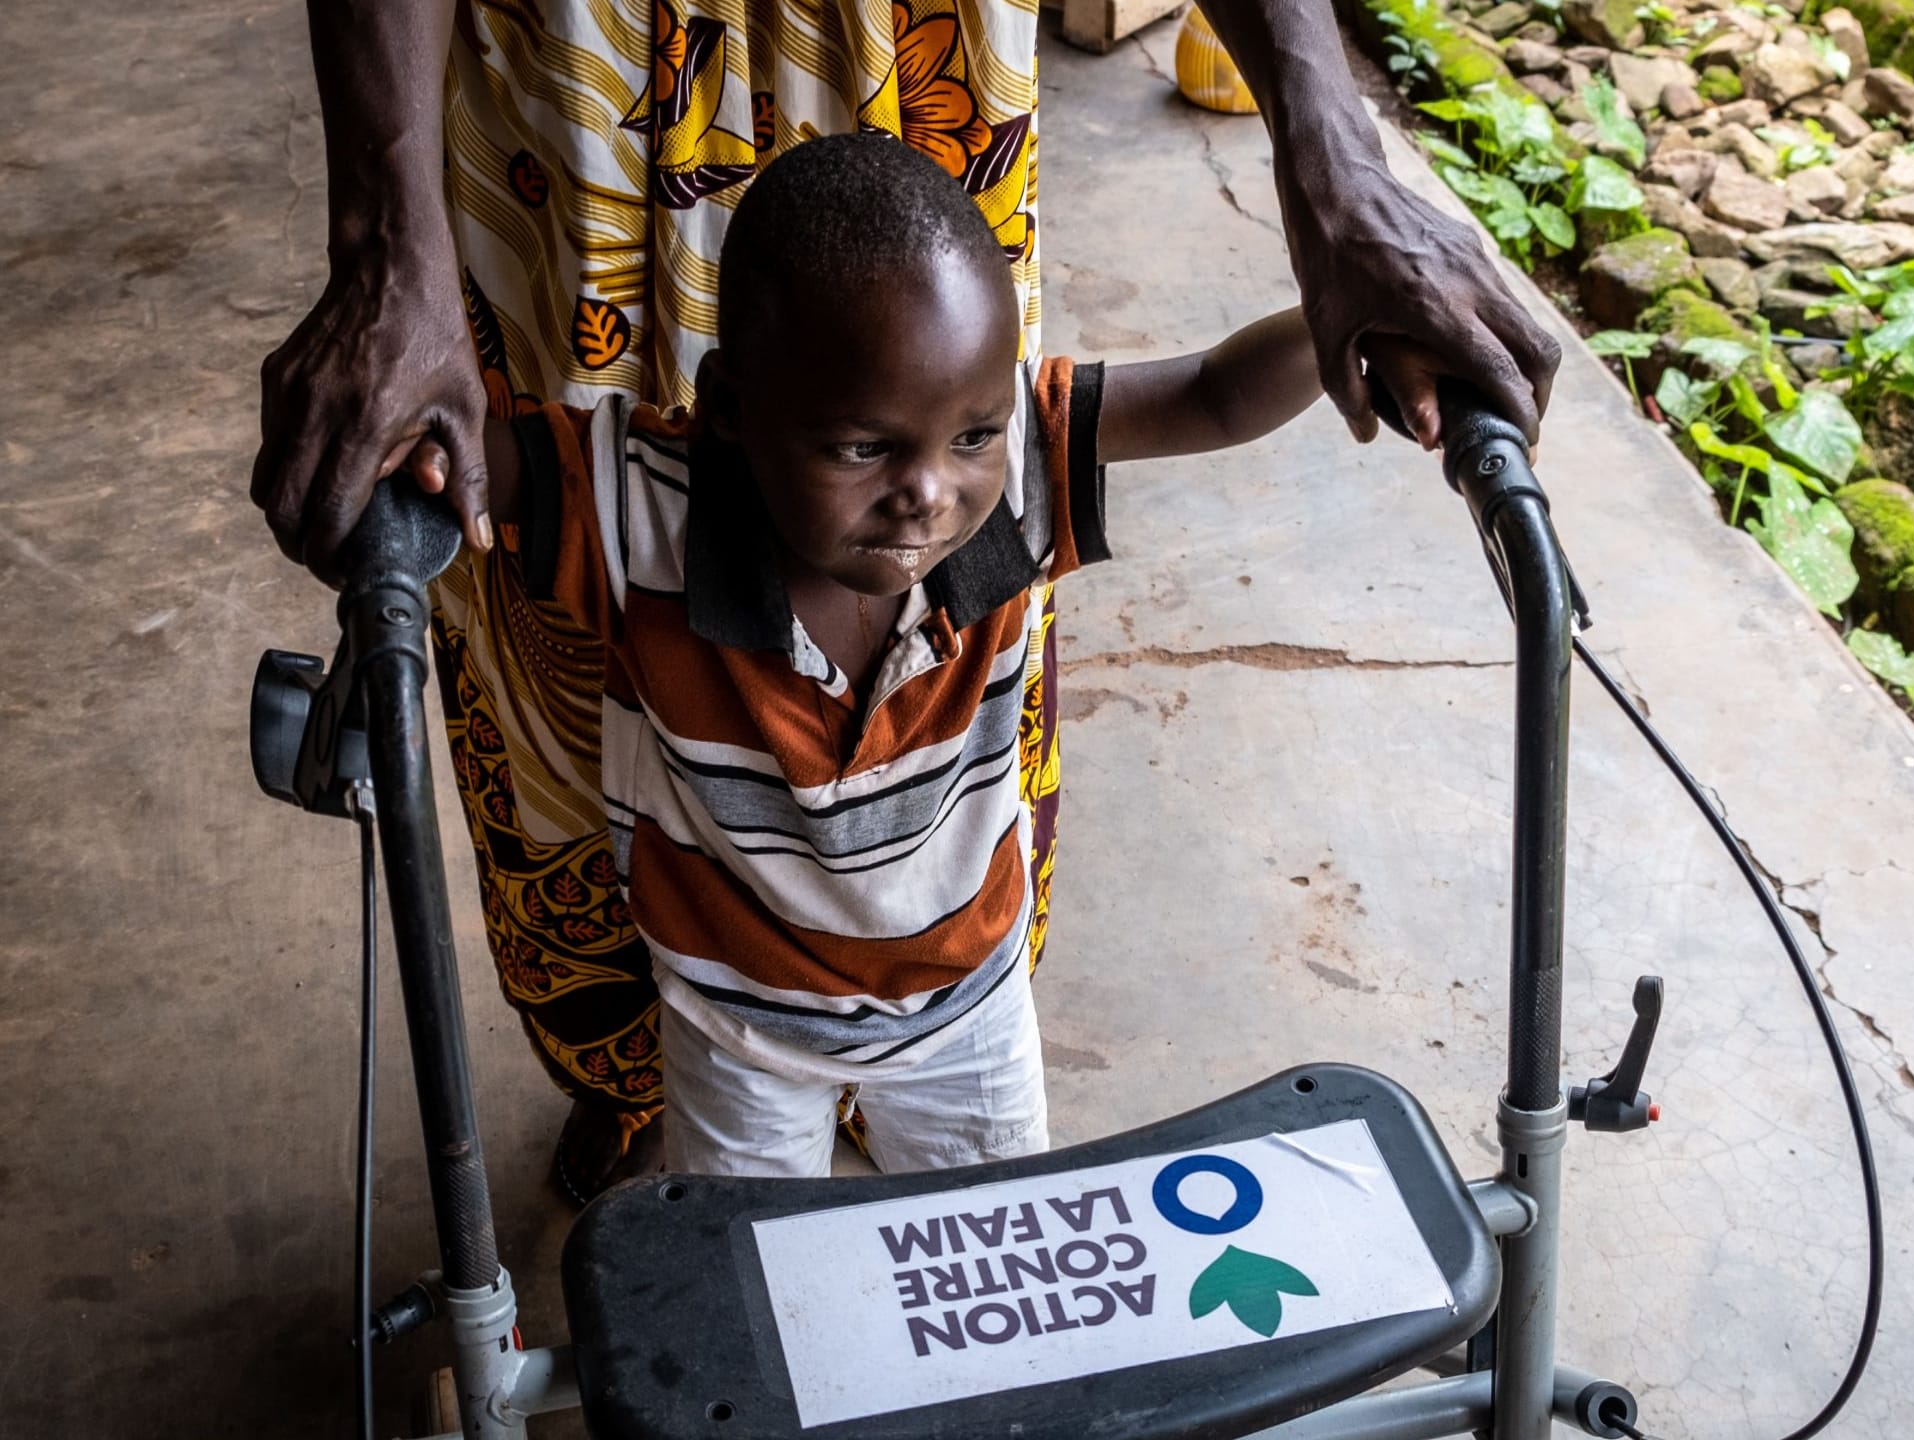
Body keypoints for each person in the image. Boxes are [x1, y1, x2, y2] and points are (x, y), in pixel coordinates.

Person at [254, 0, 1559, 1196]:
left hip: (962, 1019)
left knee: (983, 1228)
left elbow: (1217, 393)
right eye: (863, 449)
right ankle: (620, 1073)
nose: (930, 494)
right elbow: (460, 447)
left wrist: (1340, 315)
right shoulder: (646, 502)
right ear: (729, 422)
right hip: (736, 1029)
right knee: (755, 1261)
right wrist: (384, 337)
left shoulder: (1023, 471)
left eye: (970, 433)